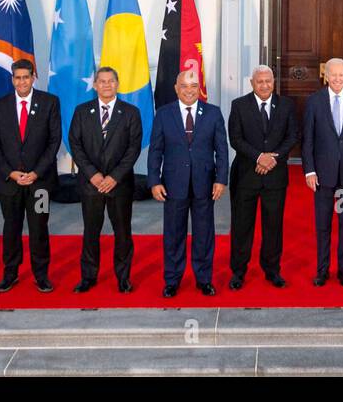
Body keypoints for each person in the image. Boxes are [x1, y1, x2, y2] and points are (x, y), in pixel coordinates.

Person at [149, 69, 229, 297]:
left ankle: (204, 279)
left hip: (205, 184)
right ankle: (172, 280)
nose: (189, 91)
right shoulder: (164, 114)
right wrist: (154, 181)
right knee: (174, 234)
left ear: (199, 89)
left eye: (193, 86)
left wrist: (221, 179)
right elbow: (156, 151)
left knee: (204, 234)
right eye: (184, 86)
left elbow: (221, 150)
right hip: (173, 185)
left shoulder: (213, 113)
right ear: (176, 88)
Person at [0, 58, 61, 293]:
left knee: (39, 228)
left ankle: (41, 275)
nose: (22, 82)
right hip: (10, 183)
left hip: (40, 185)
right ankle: (10, 273)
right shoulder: (0, 105)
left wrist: (36, 173)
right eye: (17, 78)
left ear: (33, 77)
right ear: (12, 79)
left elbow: (53, 142)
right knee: (11, 228)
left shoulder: (49, 103)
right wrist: (11, 173)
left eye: (26, 77)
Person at [68, 66, 142, 294]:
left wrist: (113, 177)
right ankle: (88, 277)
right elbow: (76, 145)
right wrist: (93, 174)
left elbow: (133, 149)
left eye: (111, 81)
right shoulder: (82, 111)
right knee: (91, 232)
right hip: (91, 185)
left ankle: (123, 277)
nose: (107, 85)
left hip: (119, 185)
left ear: (117, 84)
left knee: (122, 232)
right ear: (95, 85)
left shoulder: (130, 112)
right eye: (102, 81)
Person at [227, 65, 298, 289]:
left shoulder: (286, 105)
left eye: (269, 81)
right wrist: (259, 157)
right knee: (242, 227)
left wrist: (272, 158)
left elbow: (293, 136)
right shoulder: (239, 106)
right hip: (246, 176)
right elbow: (235, 139)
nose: (265, 85)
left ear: (274, 82)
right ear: (252, 83)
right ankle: (238, 272)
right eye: (260, 82)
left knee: (273, 226)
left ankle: (272, 270)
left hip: (275, 177)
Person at [301, 57, 343, 287]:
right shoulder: (314, 102)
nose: (338, 79)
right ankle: (322, 270)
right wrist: (309, 171)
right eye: (334, 74)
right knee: (323, 224)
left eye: (342, 75)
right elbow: (307, 139)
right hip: (322, 178)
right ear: (326, 76)